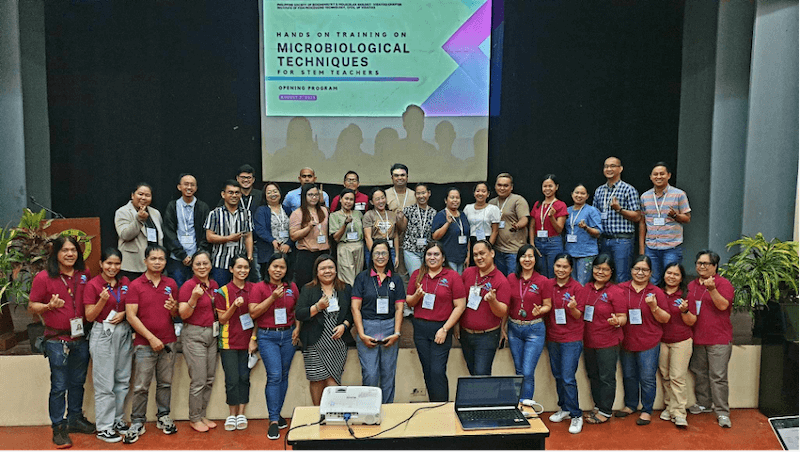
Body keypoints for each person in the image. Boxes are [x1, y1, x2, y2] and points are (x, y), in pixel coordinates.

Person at [28, 236, 95, 448]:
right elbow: (31, 306)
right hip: (57, 340)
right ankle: (58, 427)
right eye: (65, 250)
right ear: (56, 253)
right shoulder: (43, 277)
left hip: (80, 337)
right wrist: (48, 306)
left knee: (77, 383)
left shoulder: (84, 274)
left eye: (73, 250)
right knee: (59, 386)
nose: (70, 254)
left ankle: (75, 418)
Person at [123, 244, 179, 443]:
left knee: (165, 383)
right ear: (145, 261)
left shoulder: (171, 283)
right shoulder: (135, 285)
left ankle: (163, 416)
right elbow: (131, 316)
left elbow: (175, 314)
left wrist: (174, 309)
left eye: (161, 259)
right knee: (141, 386)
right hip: (144, 343)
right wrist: (151, 338)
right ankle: (137, 421)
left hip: (169, 342)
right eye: (153, 258)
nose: (157, 262)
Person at [406, 241, 466, 402]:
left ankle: (442, 408)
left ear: (443, 257)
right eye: (429, 254)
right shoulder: (417, 275)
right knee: (427, 370)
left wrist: (445, 329)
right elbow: (409, 302)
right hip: (420, 328)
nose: (432, 258)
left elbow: (460, 306)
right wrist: (417, 295)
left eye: (436, 254)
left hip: (441, 328)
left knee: (437, 371)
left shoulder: (452, 276)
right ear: (424, 257)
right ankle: (433, 406)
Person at [249, 252, 300, 440]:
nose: (278, 270)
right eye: (275, 266)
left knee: (284, 375)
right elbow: (253, 313)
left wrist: (298, 329)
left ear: (286, 270)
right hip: (267, 336)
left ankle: (277, 413)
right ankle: (273, 421)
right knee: (275, 375)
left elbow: (297, 310)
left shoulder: (291, 287)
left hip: (288, 336)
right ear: (268, 268)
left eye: (282, 267)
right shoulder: (259, 288)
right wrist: (272, 297)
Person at [615, 255, 670, 426]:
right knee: (629, 376)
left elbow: (666, 318)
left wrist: (654, 307)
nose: (640, 273)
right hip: (626, 341)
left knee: (647, 378)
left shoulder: (656, 292)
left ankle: (646, 410)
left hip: (649, 341)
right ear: (631, 270)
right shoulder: (621, 289)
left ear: (651, 273)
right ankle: (631, 405)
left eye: (645, 270)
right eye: (637, 269)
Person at [84, 248, 132, 443]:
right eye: (109, 263)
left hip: (123, 331)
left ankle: (117, 419)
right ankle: (104, 427)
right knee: (105, 383)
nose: (113, 267)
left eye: (117, 263)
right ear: (101, 264)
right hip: (103, 332)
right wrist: (102, 301)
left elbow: (131, 305)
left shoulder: (125, 282)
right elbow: (89, 316)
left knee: (123, 379)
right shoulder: (93, 285)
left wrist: (125, 315)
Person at [351, 239, 405, 403]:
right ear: (371, 256)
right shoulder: (362, 278)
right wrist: (361, 334)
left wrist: (396, 333)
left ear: (389, 256)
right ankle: (369, 409)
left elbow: (399, 309)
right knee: (370, 373)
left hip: (390, 327)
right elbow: (355, 308)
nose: (380, 256)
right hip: (367, 326)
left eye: (384, 253)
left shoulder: (396, 279)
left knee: (388, 373)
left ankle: (387, 409)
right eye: (377, 253)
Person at [295, 255, 353, 407]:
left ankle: (331, 416)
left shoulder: (345, 288)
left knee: (333, 380)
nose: (327, 271)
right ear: (317, 271)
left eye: (330, 268)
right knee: (316, 380)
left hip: (337, 344)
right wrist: (316, 308)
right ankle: (317, 414)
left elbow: (351, 313)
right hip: (314, 342)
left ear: (336, 270)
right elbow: (300, 313)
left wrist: (344, 326)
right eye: (323, 268)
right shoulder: (308, 289)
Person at [687, 249, 735, 428]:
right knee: (699, 373)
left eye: (706, 264)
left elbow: (723, 306)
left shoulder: (724, 284)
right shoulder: (692, 285)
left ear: (715, 266)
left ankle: (722, 412)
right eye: (699, 263)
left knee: (718, 377)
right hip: (697, 337)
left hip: (719, 339)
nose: (702, 266)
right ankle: (704, 404)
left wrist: (712, 289)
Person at [177, 250, 222, 433]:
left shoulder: (214, 285)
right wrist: (194, 298)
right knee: (199, 380)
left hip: (212, 334)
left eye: (205, 263)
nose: (202, 267)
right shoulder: (188, 286)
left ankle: (202, 414)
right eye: (198, 264)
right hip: (194, 335)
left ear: (211, 265)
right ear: (192, 266)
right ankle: (194, 418)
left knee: (209, 378)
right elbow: (183, 314)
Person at [580, 254, 626, 426]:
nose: (600, 272)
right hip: (589, 341)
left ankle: (606, 411)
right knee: (593, 375)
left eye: (605, 269)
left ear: (611, 272)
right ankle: (598, 406)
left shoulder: (616, 291)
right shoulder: (586, 288)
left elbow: (623, 317)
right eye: (598, 268)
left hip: (608, 342)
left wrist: (617, 322)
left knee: (606, 377)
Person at [216, 255, 259, 432]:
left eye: (246, 267)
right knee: (232, 380)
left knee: (244, 378)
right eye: (239, 267)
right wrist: (234, 305)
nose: (243, 271)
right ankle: (231, 414)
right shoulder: (222, 292)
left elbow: (258, 317)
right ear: (231, 269)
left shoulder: (255, 289)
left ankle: (241, 413)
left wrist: (254, 339)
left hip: (248, 342)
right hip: (228, 342)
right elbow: (222, 320)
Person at [503, 244, 551, 401]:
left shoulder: (543, 281)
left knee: (528, 372)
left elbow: (548, 305)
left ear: (535, 260)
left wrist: (541, 311)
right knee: (519, 371)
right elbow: (506, 305)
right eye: (524, 256)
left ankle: (527, 408)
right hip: (514, 328)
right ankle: (519, 406)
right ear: (519, 259)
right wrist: (503, 327)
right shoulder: (511, 278)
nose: (527, 259)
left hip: (534, 330)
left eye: (530, 256)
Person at [546, 253, 586, 434]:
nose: (561, 270)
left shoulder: (578, 288)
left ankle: (577, 415)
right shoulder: (548, 285)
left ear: (571, 269)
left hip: (571, 338)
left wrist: (573, 308)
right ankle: (565, 408)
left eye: (565, 267)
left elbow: (580, 316)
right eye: (558, 266)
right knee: (558, 375)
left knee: (568, 377)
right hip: (553, 337)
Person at [459, 240, 510, 375]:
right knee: (472, 372)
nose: (479, 257)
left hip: (487, 337)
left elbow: (502, 311)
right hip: (466, 334)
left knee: (481, 375)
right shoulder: (468, 273)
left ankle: (484, 397)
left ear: (492, 253)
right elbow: (459, 301)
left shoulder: (501, 280)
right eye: (475, 255)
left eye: (482, 253)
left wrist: (493, 301)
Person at [638, 162, 692, 285]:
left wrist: (675, 216)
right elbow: (642, 223)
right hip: (651, 247)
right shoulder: (645, 197)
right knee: (652, 280)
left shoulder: (679, 194)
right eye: (655, 174)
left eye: (662, 174)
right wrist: (642, 249)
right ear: (650, 177)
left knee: (671, 280)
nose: (658, 177)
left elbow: (687, 218)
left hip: (671, 247)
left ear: (669, 175)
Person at [657, 262, 696, 428]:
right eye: (669, 273)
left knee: (677, 377)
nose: (671, 277)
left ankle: (679, 412)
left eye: (676, 274)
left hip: (681, 340)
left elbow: (692, 321)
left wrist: (685, 311)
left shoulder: (687, 295)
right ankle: (670, 407)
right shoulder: (656, 293)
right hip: (661, 341)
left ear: (681, 278)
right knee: (665, 376)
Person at [592, 157, 641, 283]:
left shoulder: (628, 190)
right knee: (602, 276)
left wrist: (619, 209)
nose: (609, 169)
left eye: (613, 166)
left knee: (621, 276)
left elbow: (637, 216)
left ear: (620, 169)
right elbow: (594, 215)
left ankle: (621, 303)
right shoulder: (599, 191)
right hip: (603, 240)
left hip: (622, 240)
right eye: (606, 166)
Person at [163, 173, 211, 287]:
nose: (189, 187)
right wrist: (182, 255)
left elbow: (207, 232)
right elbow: (168, 232)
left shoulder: (203, 207)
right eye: (186, 184)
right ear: (179, 187)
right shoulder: (172, 206)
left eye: (192, 185)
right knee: (178, 288)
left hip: (198, 258)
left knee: (199, 288)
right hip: (177, 258)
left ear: (196, 188)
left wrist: (197, 255)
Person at [204, 180, 254, 287]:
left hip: (240, 264)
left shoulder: (246, 214)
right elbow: (209, 236)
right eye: (230, 192)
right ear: (223, 194)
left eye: (237, 192)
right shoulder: (214, 214)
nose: (234, 195)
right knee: (220, 294)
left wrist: (249, 257)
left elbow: (249, 235)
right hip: (221, 262)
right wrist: (228, 238)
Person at [115, 183, 163, 281]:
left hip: (153, 264)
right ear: (132, 195)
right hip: (132, 265)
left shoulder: (155, 213)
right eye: (140, 194)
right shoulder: (122, 212)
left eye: (147, 195)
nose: (143, 198)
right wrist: (139, 219)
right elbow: (125, 235)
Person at [289, 183, 330, 289]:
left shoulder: (324, 211)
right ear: (304, 196)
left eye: (316, 195)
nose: (314, 197)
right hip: (307, 255)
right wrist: (308, 228)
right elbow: (293, 236)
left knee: (324, 284)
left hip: (323, 253)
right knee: (306, 285)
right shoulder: (297, 213)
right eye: (310, 195)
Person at [488, 173, 530, 276]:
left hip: (514, 250)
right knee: (500, 280)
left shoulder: (518, 200)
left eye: (505, 185)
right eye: (499, 185)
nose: (502, 188)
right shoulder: (491, 203)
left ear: (511, 187)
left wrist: (518, 225)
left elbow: (525, 219)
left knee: (513, 280)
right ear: (495, 186)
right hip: (497, 250)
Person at [253, 181, 294, 281]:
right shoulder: (261, 210)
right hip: (269, 252)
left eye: (275, 191)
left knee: (287, 281)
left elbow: (294, 229)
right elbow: (260, 229)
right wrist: (273, 240)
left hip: (287, 252)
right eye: (269, 192)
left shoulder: (287, 210)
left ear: (280, 193)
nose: (273, 194)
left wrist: (288, 244)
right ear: (265, 196)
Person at [529, 174, 567, 278]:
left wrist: (551, 217)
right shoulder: (537, 204)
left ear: (556, 187)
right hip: (538, 242)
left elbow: (559, 229)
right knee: (540, 274)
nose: (547, 189)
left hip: (553, 243)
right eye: (545, 186)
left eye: (550, 186)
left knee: (553, 273)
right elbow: (532, 226)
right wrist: (532, 243)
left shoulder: (560, 205)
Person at [565, 183, 602, 285]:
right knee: (571, 284)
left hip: (586, 253)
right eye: (577, 193)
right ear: (572, 194)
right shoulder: (567, 211)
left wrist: (586, 227)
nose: (579, 195)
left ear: (587, 196)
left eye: (582, 193)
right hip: (570, 252)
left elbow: (598, 232)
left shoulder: (591, 210)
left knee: (582, 284)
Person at [396, 183, 436, 276]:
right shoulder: (409, 210)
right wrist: (399, 219)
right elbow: (402, 229)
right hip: (411, 250)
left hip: (428, 252)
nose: (421, 196)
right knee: (416, 277)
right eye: (418, 193)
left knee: (428, 277)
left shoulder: (433, 212)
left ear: (429, 193)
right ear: (415, 195)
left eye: (423, 193)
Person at [329, 188, 365, 285]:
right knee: (348, 280)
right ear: (341, 199)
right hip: (345, 247)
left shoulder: (358, 214)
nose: (348, 202)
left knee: (358, 278)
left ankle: (357, 299)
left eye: (351, 199)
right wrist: (345, 224)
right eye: (346, 199)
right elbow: (336, 237)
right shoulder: (334, 215)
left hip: (359, 245)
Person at [431, 187, 470, 273]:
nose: (455, 200)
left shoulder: (462, 215)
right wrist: (447, 223)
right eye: (452, 198)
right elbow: (435, 236)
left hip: (462, 258)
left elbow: (467, 236)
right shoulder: (441, 215)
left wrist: (468, 255)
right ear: (446, 200)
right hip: (449, 258)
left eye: (457, 198)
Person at [385, 163, 413, 279]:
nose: (400, 178)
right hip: (391, 241)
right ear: (392, 178)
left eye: (402, 175)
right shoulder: (385, 194)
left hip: (410, 242)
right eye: (396, 175)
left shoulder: (414, 195)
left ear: (407, 177)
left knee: (408, 275)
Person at [462, 182, 501, 265]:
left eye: (483, 191)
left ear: (488, 194)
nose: (480, 193)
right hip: (472, 241)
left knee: (485, 266)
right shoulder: (468, 208)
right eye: (478, 191)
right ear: (474, 193)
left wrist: (488, 247)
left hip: (487, 240)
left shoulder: (493, 209)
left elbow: (495, 231)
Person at [362, 188, 400, 268]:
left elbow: (395, 235)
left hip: (390, 248)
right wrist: (374, 253)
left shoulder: (392, 214)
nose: (381, 201)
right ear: (372, 202)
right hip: (375, 248)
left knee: (390, 274)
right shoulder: (369, 215)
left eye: (383, 198)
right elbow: (367, 237)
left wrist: (396, 255)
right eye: (377, 199)